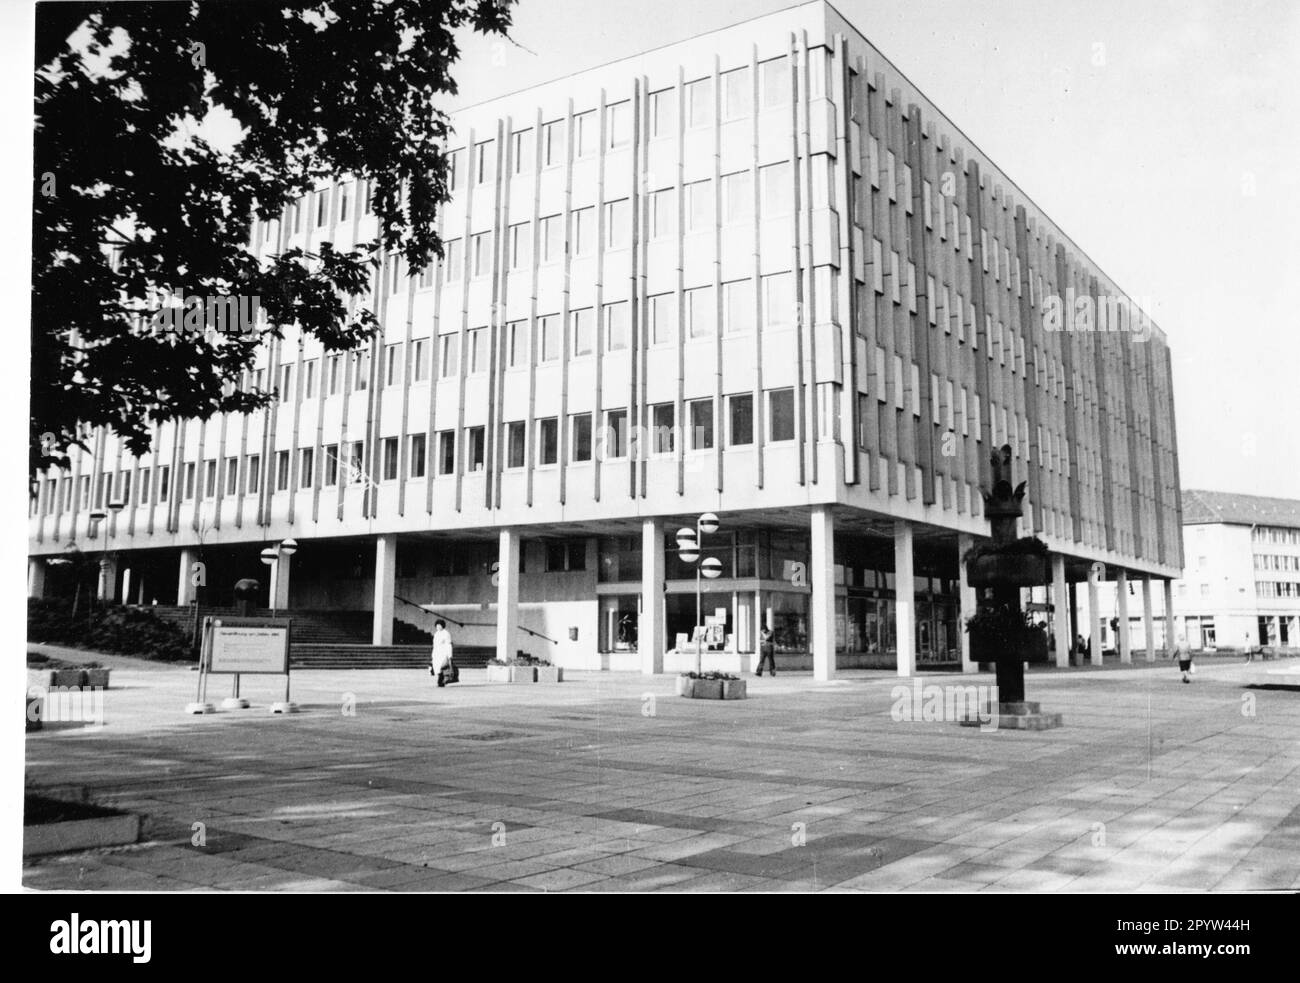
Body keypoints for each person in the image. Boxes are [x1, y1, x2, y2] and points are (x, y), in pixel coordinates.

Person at [431, 619, 457, 687]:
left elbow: (448, 644)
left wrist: (449, 655)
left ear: (443, 626)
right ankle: (441, 680)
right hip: (437, 653)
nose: (438, 627)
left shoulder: (446, 633)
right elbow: (434, 645)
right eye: (437, 625)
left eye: (440, 625)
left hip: (443, 652)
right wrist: (433, 654)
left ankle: (441, 680)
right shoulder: (436, 634)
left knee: (441, 666)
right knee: (436, 667)